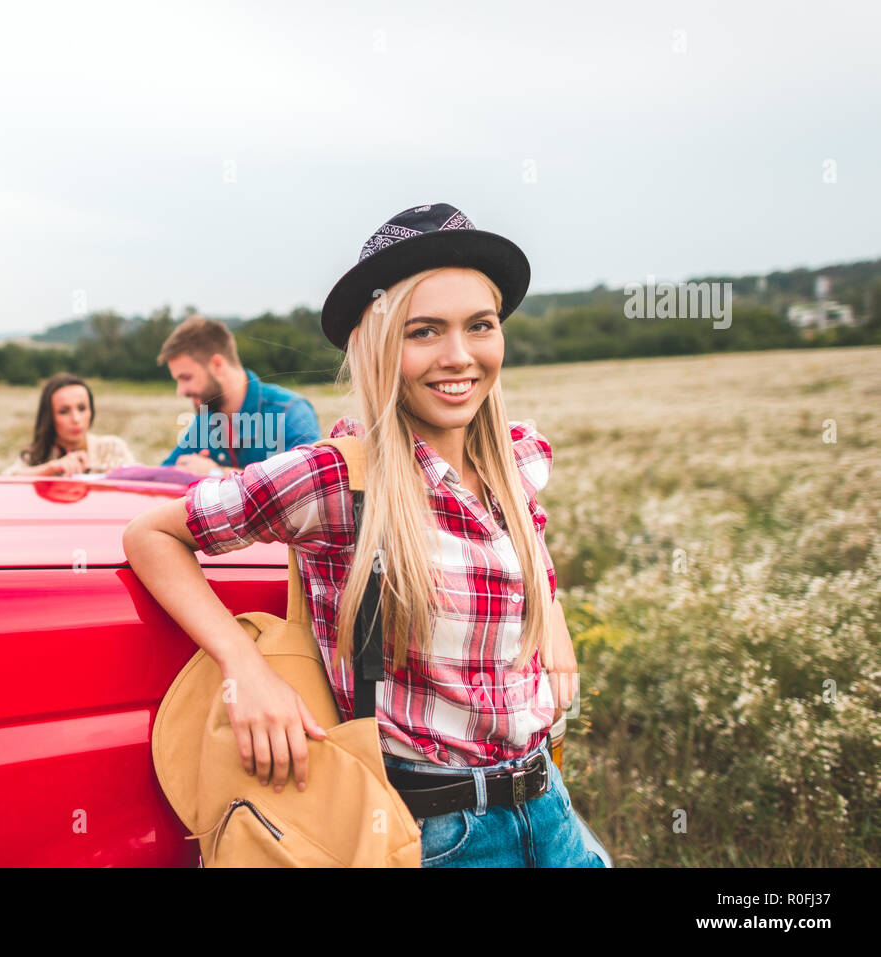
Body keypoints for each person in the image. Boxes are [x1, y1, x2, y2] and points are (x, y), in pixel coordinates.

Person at [124, 203, 610, 867]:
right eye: (425, 331)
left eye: (480, 325)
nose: (459, 355)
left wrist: (550, 612)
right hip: (438, 835)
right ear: (379, 346)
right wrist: (246, 669)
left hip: (549, 806)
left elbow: (528, 548)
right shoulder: (338, 480)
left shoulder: (514, 463)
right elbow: (152, 533)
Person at [157, 316, 320, 476]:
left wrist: (216, 473)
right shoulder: (206, 417)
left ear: (217, 365)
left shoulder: (291, 411)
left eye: (186, 378)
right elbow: (163, 474)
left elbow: (312, 483)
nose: (180, 391)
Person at [1, 373, 135, 476]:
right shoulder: (36, 455)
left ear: (91, 411)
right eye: (63, 412)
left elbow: (143, 482)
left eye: (82, 408)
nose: (76, 419)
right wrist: (51, 468)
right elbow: (6, 481)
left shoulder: (112, 448)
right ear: (49, 417)